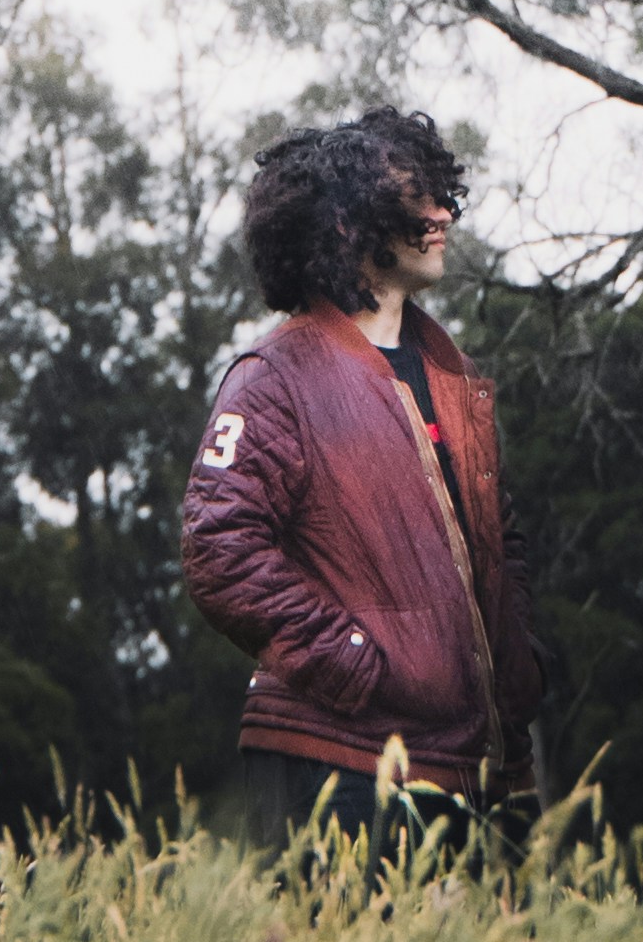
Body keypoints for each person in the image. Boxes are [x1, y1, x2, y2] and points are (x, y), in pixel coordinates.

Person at [179, 108, 542, 849]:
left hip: (473, 765)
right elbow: (220, 549)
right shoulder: (274, 378)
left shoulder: (454, 377)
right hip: (335, 765)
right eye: (412, 198)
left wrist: (518, 677)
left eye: (440, 193)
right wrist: (351, 662)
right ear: (346, 222)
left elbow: (499, 549)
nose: (440, 213)